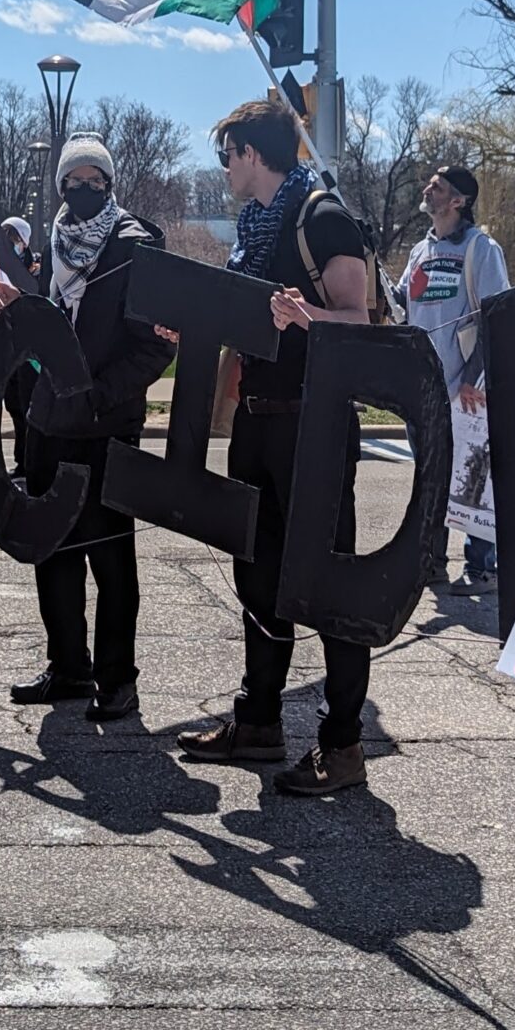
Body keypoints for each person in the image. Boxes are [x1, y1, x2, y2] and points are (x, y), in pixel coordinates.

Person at [178, 98, 379, 796]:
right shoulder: (254, 225)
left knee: (329, 584)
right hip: (259, 422)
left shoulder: (321, 216)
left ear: (252, 153)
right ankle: (259, 720)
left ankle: (343, 744)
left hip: (314, 425)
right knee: (255, 576)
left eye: (226, 154)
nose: (223, 167)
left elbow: (360, 320)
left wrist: (307, 316)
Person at [0, 138, 175, 722]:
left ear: (110, 183)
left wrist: (98, 395)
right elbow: (45, 322)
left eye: (95, 178)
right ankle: (68, 666)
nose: (83, 187)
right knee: (53, 547)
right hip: (48, 420)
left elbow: (153, 351)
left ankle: (117, 678)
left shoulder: (133, 245)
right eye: (73, 178)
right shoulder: (53, 242)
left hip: (105, 425)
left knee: (110, 556)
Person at [400, 165, 510, 594]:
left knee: (472, 478)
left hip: (464, 390)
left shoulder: (481, 249)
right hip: (422, 389)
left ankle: (482, 569)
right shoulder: (419, 251)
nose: (429, 187)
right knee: (432, 478)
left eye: (439, 186)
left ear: (458, 201)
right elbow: (407, 308)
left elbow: (496, 315)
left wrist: (472, 378)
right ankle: (433, 561)